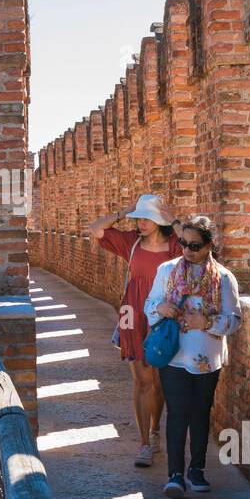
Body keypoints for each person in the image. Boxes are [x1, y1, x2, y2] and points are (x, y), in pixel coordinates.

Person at [144, 215, 241, 499]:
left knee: (201, 413)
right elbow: (149, 303)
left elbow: (234, 320)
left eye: (195, 245)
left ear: (211, 244)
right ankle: (175, 475)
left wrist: (207, 323)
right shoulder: (167, 270)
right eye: (183, 243)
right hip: (174, 354)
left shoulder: (224, 278)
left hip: (207, 358)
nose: (188, 250)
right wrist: (161, 307)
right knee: (177, 412)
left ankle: (196, 470)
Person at [87, 195, 183, 466]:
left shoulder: (175, 246)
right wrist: (123, 211)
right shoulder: (130, 242)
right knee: (142, 381)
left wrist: (174, 219)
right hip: (133, 314)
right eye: (137, 218)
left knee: (160, 381)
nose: (139, 223)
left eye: (145, 218)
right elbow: (96, 229)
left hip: (164, 316)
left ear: (158, 220)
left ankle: (155, 432)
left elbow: (196, 245)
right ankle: (144, 444)